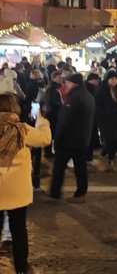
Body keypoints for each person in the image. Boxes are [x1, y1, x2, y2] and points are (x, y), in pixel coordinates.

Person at [0, 93, 51, 274]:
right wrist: (42, 120)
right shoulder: (22, 130)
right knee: (19, 229)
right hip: (17, 191)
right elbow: (45, 139)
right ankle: (21, 268)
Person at [49, 73, 95, 202]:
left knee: (59, 167)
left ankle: (55, 192)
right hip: (82, 139)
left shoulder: (74, 97)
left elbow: (64, 121)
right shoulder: (88, 96)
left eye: (67, 83)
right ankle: (80, 193)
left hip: (68, 140)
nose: (65, 85)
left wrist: (57, 139)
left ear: (73, 83)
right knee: (80, 168)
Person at [95, 71, 117, 171]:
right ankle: (110, 160)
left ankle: (104, 155)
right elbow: (98, 106)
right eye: (112, 79)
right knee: (110, 140)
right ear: (107, 79)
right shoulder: (102, 90)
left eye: (116, 79)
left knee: (116, 140)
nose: (114, 81)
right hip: (106, 120)